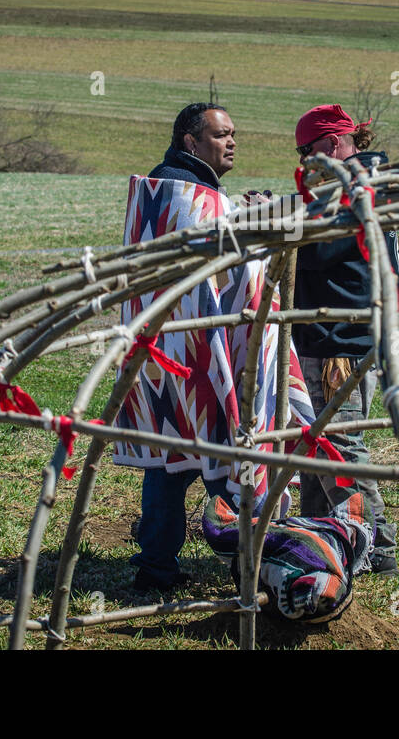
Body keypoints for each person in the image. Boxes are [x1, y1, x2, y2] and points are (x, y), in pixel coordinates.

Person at [122, 102, 237, 592]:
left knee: (172, 461)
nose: (231, 142)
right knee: (221, 454)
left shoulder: (178, 186)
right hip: (190, 351)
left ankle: (156, 567)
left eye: (234, 134)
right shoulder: (182, 191)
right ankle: (247, 562)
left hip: (165, 352)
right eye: (221, 134)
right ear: (192, 142)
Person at [292, 103, 399, 576]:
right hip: (342, 335)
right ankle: (320, 533)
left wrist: (282, 219)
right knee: (318, 443)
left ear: (332, 145)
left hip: (339, 341)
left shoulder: (354, 189)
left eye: (307, 150)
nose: (302, 161)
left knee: (340, 446)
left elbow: (318, 251)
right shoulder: (358, 183)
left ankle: (378, 547)